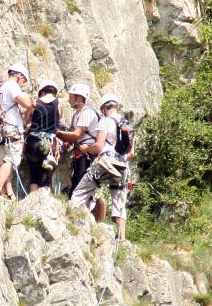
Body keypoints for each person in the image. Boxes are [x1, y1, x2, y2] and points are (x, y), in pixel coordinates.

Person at [69, 93, 133, 241]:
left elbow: (98, 146)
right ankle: (122, 237)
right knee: (119, 200)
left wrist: (85, 149)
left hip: (104, 163)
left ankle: (72, 224)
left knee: (80, 191)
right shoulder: (128, 125)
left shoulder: (105, 121)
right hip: (122, 167)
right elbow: (131, 153)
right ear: (116, 106)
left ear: (104, 107)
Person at [0, 63, 34, 199]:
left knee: (5, 161)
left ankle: (9, 193)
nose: (23, 84)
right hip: (12, 128)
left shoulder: (2, 86)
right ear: (19, 75)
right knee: (11, 160)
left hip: (4, 127)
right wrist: (28, 99)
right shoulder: (13, 86)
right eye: (23, 80)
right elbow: (26, 104)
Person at [56, 83, 100, 196]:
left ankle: (81, 208)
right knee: (76, 182)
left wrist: (57, 133)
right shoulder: (77, 114)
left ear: (79, 98)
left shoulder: (87, 112)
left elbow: (76, 134)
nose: (69, 100)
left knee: (80, 185)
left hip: (87, 153)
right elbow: (71, 131)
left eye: (71, 97)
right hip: (81, 151)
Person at [25, 79, 63, 192]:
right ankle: (45, 205)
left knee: (34, 176)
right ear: (55, 92)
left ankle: (31, 205)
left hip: (33, 141)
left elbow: (25, 122)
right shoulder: (59, 103)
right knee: (46, 177)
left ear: (41, 91)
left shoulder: (34, 103)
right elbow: (58, 123)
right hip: (49, 143)